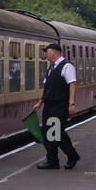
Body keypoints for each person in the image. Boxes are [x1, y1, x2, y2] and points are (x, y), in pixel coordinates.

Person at [33, 42, 80, 170]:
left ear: (54, 51)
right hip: (49, 105)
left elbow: (72, 84)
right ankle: (52, 161)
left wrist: (71, 103)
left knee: (57, 132)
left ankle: (72, 155)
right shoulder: (51, 68)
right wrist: (40, 102)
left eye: (47, 51)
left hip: (60, 105)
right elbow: (47, 88)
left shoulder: (67, 66)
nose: (46, 54)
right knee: (48, 133)